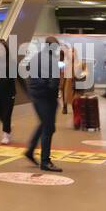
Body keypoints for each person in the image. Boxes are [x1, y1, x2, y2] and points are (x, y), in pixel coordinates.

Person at [21, 36, 63, 173]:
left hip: (37, 96)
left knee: (44, 123)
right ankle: (45, 161)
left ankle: (30, 150)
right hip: (46, 98)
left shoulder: (35, 57)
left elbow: (27, 73)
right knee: (49, 127)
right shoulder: (52, 61)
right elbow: (53, 83)